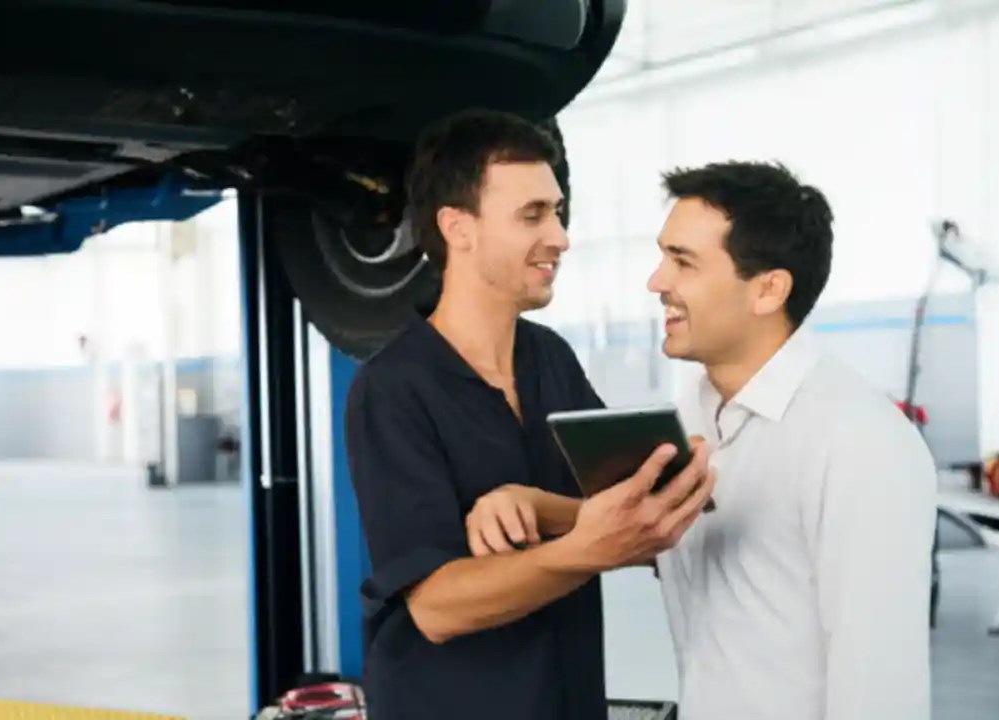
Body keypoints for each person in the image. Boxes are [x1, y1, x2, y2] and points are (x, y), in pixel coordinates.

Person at [343, 108, 717, 720]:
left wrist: (539, 507)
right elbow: (437, 607)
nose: (561, 237)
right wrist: (587, 546)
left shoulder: (550, 360)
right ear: (457, 227)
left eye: (558, 212)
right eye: (532, 215)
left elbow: (645, 522)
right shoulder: (392, 389)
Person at [646, 161, 937, 720]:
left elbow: (881, 690)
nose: (657, 282)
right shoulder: (693, 416)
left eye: (683, 262)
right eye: (663, 257)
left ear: (768, 290)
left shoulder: (860, 442)